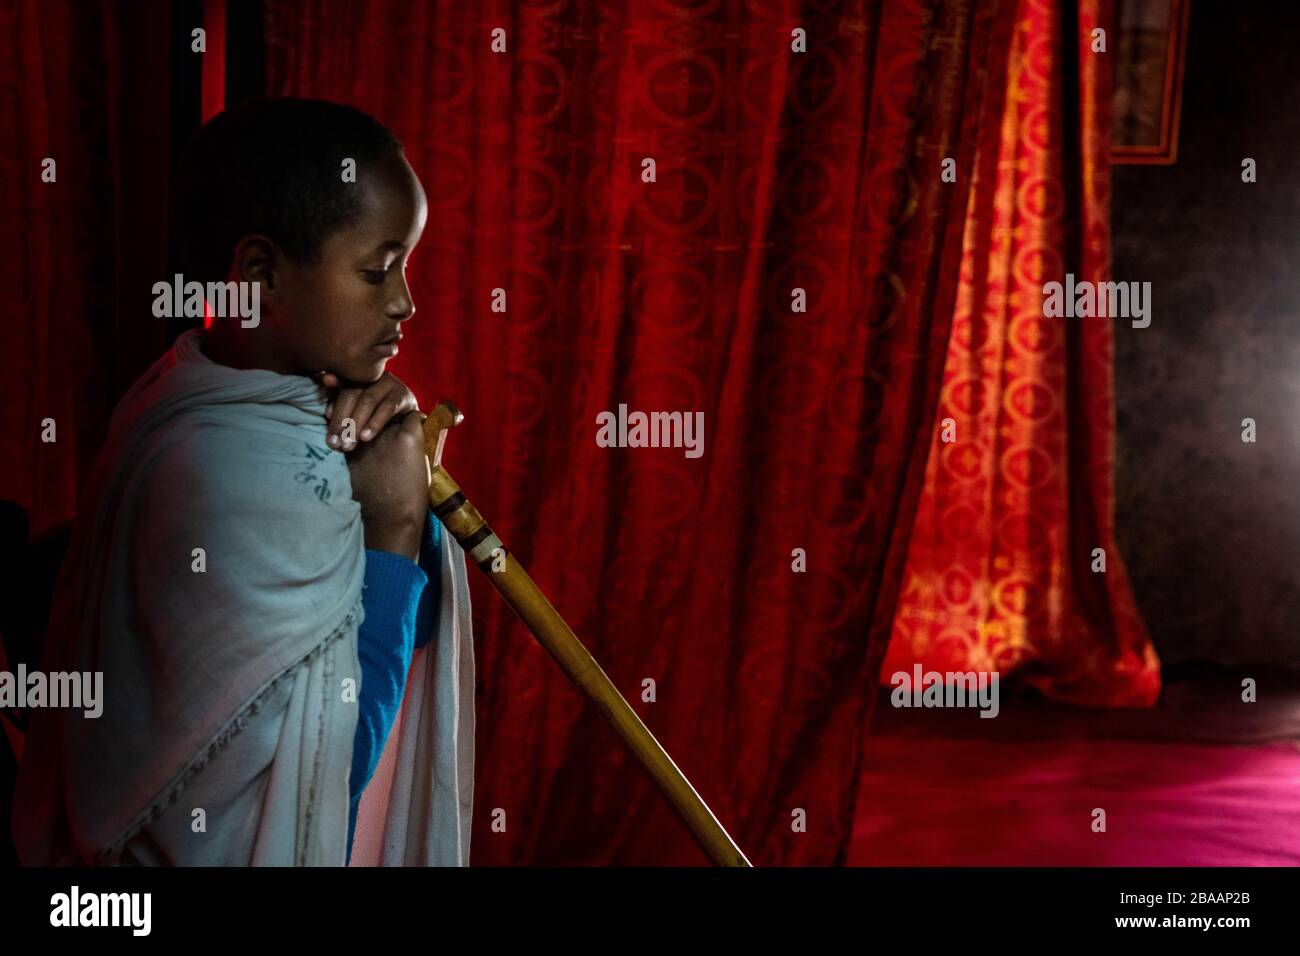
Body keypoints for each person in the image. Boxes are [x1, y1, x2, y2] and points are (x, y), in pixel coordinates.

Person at [11, 98, 474, 866]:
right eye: (376, 270)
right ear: (260, 272)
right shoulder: (230, 476)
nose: (404, 301)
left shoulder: (190, 386)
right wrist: (393, 527)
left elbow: (395, 635)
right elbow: (315, 792)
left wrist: (399, 484)